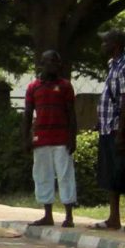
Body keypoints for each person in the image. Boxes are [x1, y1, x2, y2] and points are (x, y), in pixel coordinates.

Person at [24, 49, 78, 228]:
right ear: (42, 64)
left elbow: (71, 113)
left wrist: (72, 138)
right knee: (42, 175)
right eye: (51, 62)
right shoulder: (33, 87)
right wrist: (25, 137)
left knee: (65, 175)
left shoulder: (65, 86)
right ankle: (47, 214)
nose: (55, 65)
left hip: (61, 138)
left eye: (57, 62)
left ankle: (68, 215)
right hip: (41, 138)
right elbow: (27, 113)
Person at [96, 31, 125, 230]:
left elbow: (124, 100)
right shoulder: (111, 64)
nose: (102, 44)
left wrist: (122, 132)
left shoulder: (123, 66)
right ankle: (113, 218)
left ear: (115, 43)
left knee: (122, 172)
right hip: (107, 127)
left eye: (105, 41)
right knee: (111, 174)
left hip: (118, 129)